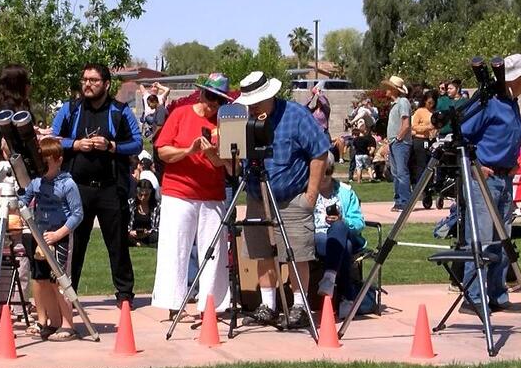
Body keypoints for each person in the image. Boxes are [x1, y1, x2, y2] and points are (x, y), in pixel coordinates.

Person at [235, 71, 330, 326]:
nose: (252, 107)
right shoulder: (243, 121)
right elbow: (235, 163)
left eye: (256, 101)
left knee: (297, 253)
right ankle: (268, 305)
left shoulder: (296, 115)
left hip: (292, 199)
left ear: (270, 96)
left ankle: (299, 306)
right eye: (249, 103)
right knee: (262, 253)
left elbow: (320, 153)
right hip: (257, 196)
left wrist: (310, 196)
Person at [52, 63, 142, 307]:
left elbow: (137, 143)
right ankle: (68, 295)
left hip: (111, 187)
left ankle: (124, 295)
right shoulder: (70, 109)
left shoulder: (120, 111)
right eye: (84, 80)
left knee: (118, 243)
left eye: (93, 80)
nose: (87, 84)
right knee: (74, 244)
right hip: (76, 188)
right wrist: (76, 144)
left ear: (106, 84)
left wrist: (112, 146)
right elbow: (53, 140)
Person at [458, 53, 521, 316]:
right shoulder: (488, 103)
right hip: (485, 176)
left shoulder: (511, 103)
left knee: (502, 239)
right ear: (512, 78)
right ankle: (473, 296)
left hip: (504, 177)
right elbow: (462, 137)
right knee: (481, 239)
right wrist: (475, 166)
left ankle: (496, 293)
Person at [152, 73, 232, 317]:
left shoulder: (225, 124)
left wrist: (211, 155)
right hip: (179, 190)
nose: (212, 104)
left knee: (214, 250)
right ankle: (173, 303)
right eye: (210, 97)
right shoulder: (180, 114)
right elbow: (163, 152)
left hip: (212, 193)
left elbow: (229, 165)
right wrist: (189, 150)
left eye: (219, 100)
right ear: (201, 93)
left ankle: (211, 305)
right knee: (175, 246)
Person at [18, 137, 83, 341]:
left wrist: (59, 234)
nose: (44, 164)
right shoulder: (36, 182)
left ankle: (67, 324)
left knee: (60, 281)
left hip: (59, 237)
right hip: (39, 237)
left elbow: (77, 214)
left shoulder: (68, 184)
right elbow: (23, 200)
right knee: (41, 280)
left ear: (58, 160)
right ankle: (49, 321)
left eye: (48, 159)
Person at [310, 155, 366, 318]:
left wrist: (343, 220)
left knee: (339, 226)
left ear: (332, 170)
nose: (324, 176)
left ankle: (329, 277)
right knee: (345, 247)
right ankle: (347, 297)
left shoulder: (345, 192)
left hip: (348, 233)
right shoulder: (308, 192)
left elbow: (359, 222)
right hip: (319, 236)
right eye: (320, 172)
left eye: (327, 171)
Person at [383, 75, 412, 211]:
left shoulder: (403, 102)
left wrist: (399, 138)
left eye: (389, 88)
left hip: (400, 143)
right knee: (395, 173)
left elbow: (405, 124)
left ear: (394, 90)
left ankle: (405, 201)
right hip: (394, 142)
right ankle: (398, 200)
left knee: (401, 172)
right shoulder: (394, 104)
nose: (386, 90)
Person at [410, 90, 438, 189]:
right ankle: (419, 186)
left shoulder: (434, 112)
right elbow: (414, 126)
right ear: (425, 101)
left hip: (431, 140)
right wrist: (427, 128)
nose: (430, 105)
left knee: (430, 163)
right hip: (420, 140)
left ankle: (429, 185)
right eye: (429, 102)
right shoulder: (420, 111)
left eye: (433, 103)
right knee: (421, 164)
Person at [128, 179, 160, 247]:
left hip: (149, 235)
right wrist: (130, 232)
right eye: (140, 194)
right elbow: (124, 224)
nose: (143, 197)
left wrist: (148, 232)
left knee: (158, 237)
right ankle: (137, 243)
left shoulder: (156, 207)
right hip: (132, 235)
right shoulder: (131, 203)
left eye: (146, 195)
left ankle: (139, 243)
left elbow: (157, 227)